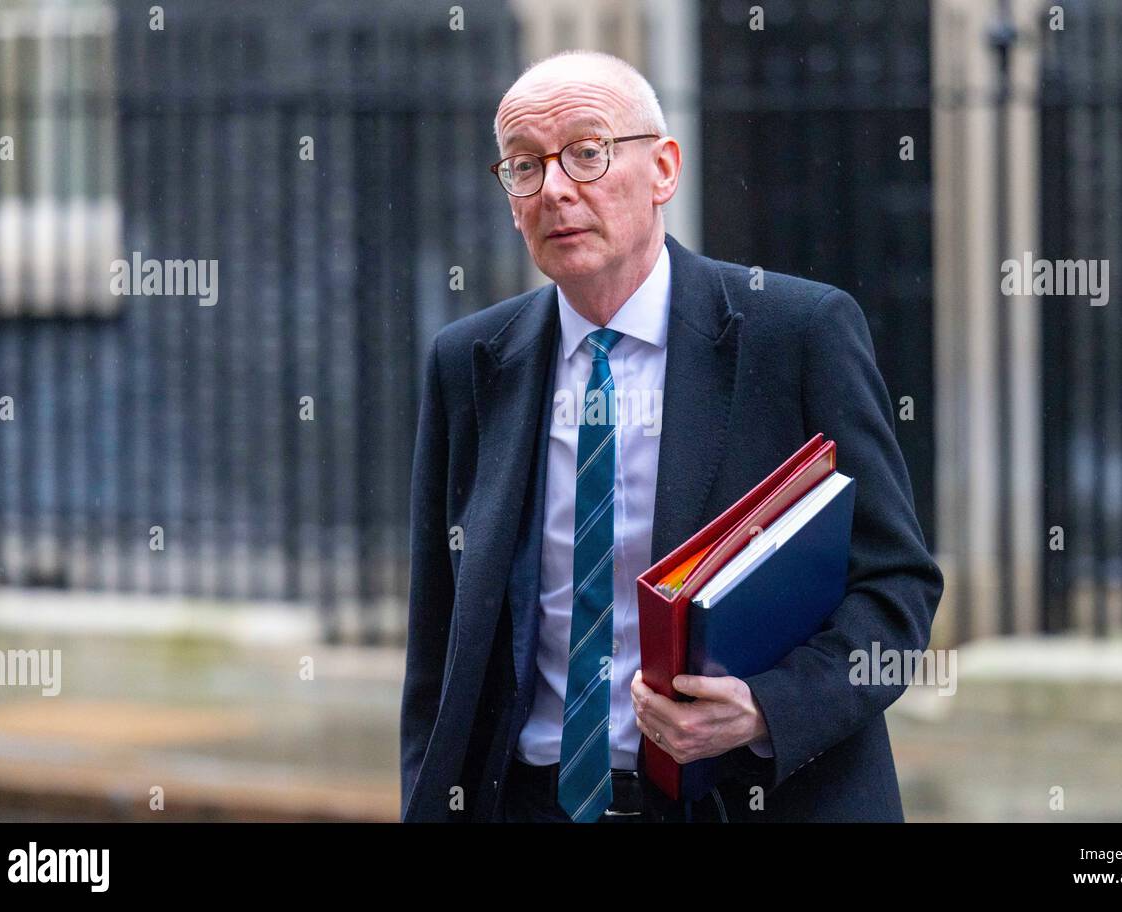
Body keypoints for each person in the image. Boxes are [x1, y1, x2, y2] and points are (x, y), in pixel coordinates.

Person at [399, 49, 943, 823]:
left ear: (663, 170)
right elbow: (438, 644)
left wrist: (764, 708)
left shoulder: (796, 334)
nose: (554, 189)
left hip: (744, 799)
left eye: (587, 153)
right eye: (523, 167)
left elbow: (897, 587)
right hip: (526, 800)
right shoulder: (470, 362)